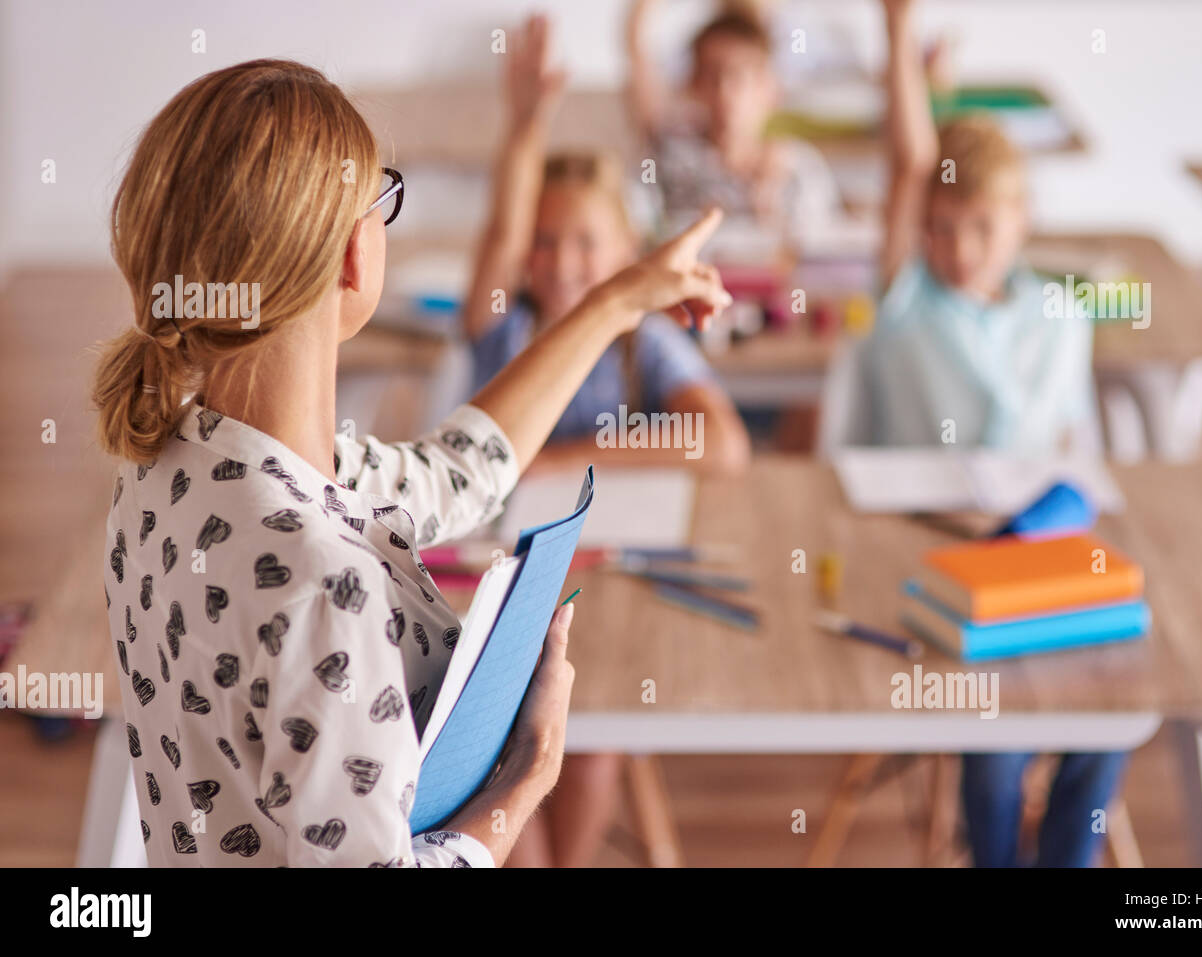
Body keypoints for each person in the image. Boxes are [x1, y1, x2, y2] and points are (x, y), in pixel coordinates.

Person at [92, 57, 731, 868]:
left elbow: (457, 470)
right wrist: (524, 781)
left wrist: (616, 301)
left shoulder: (171, 460)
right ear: (355, 257)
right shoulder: (327, 582)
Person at [831, 0, 1121, 866]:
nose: (959, 249)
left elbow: (1075, 446)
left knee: (1111, 712)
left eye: (982, 228)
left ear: (1023, 221)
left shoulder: (1057, 315)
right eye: (942, 228)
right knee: (993, 725)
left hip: (1032, 552)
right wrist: (898, 44)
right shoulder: (906, 301)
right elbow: (911, 163)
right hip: (924, 550)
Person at [463, 14, 751, 478]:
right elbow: (503, 234)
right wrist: (525, 126)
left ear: (627, 250)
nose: (561, 262)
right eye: (542, 240)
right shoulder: (502, 328)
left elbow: (723, 443)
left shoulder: (647, 341)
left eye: (586, 243)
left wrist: (560, 461)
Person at [626, 0, 841, 231]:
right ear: (693, 84)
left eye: (740, 76)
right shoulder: (666, 159)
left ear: (769, 87)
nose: (725, 92)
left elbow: (819, 251)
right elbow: (638, 230)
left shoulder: (799, 170)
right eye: (712, 76)